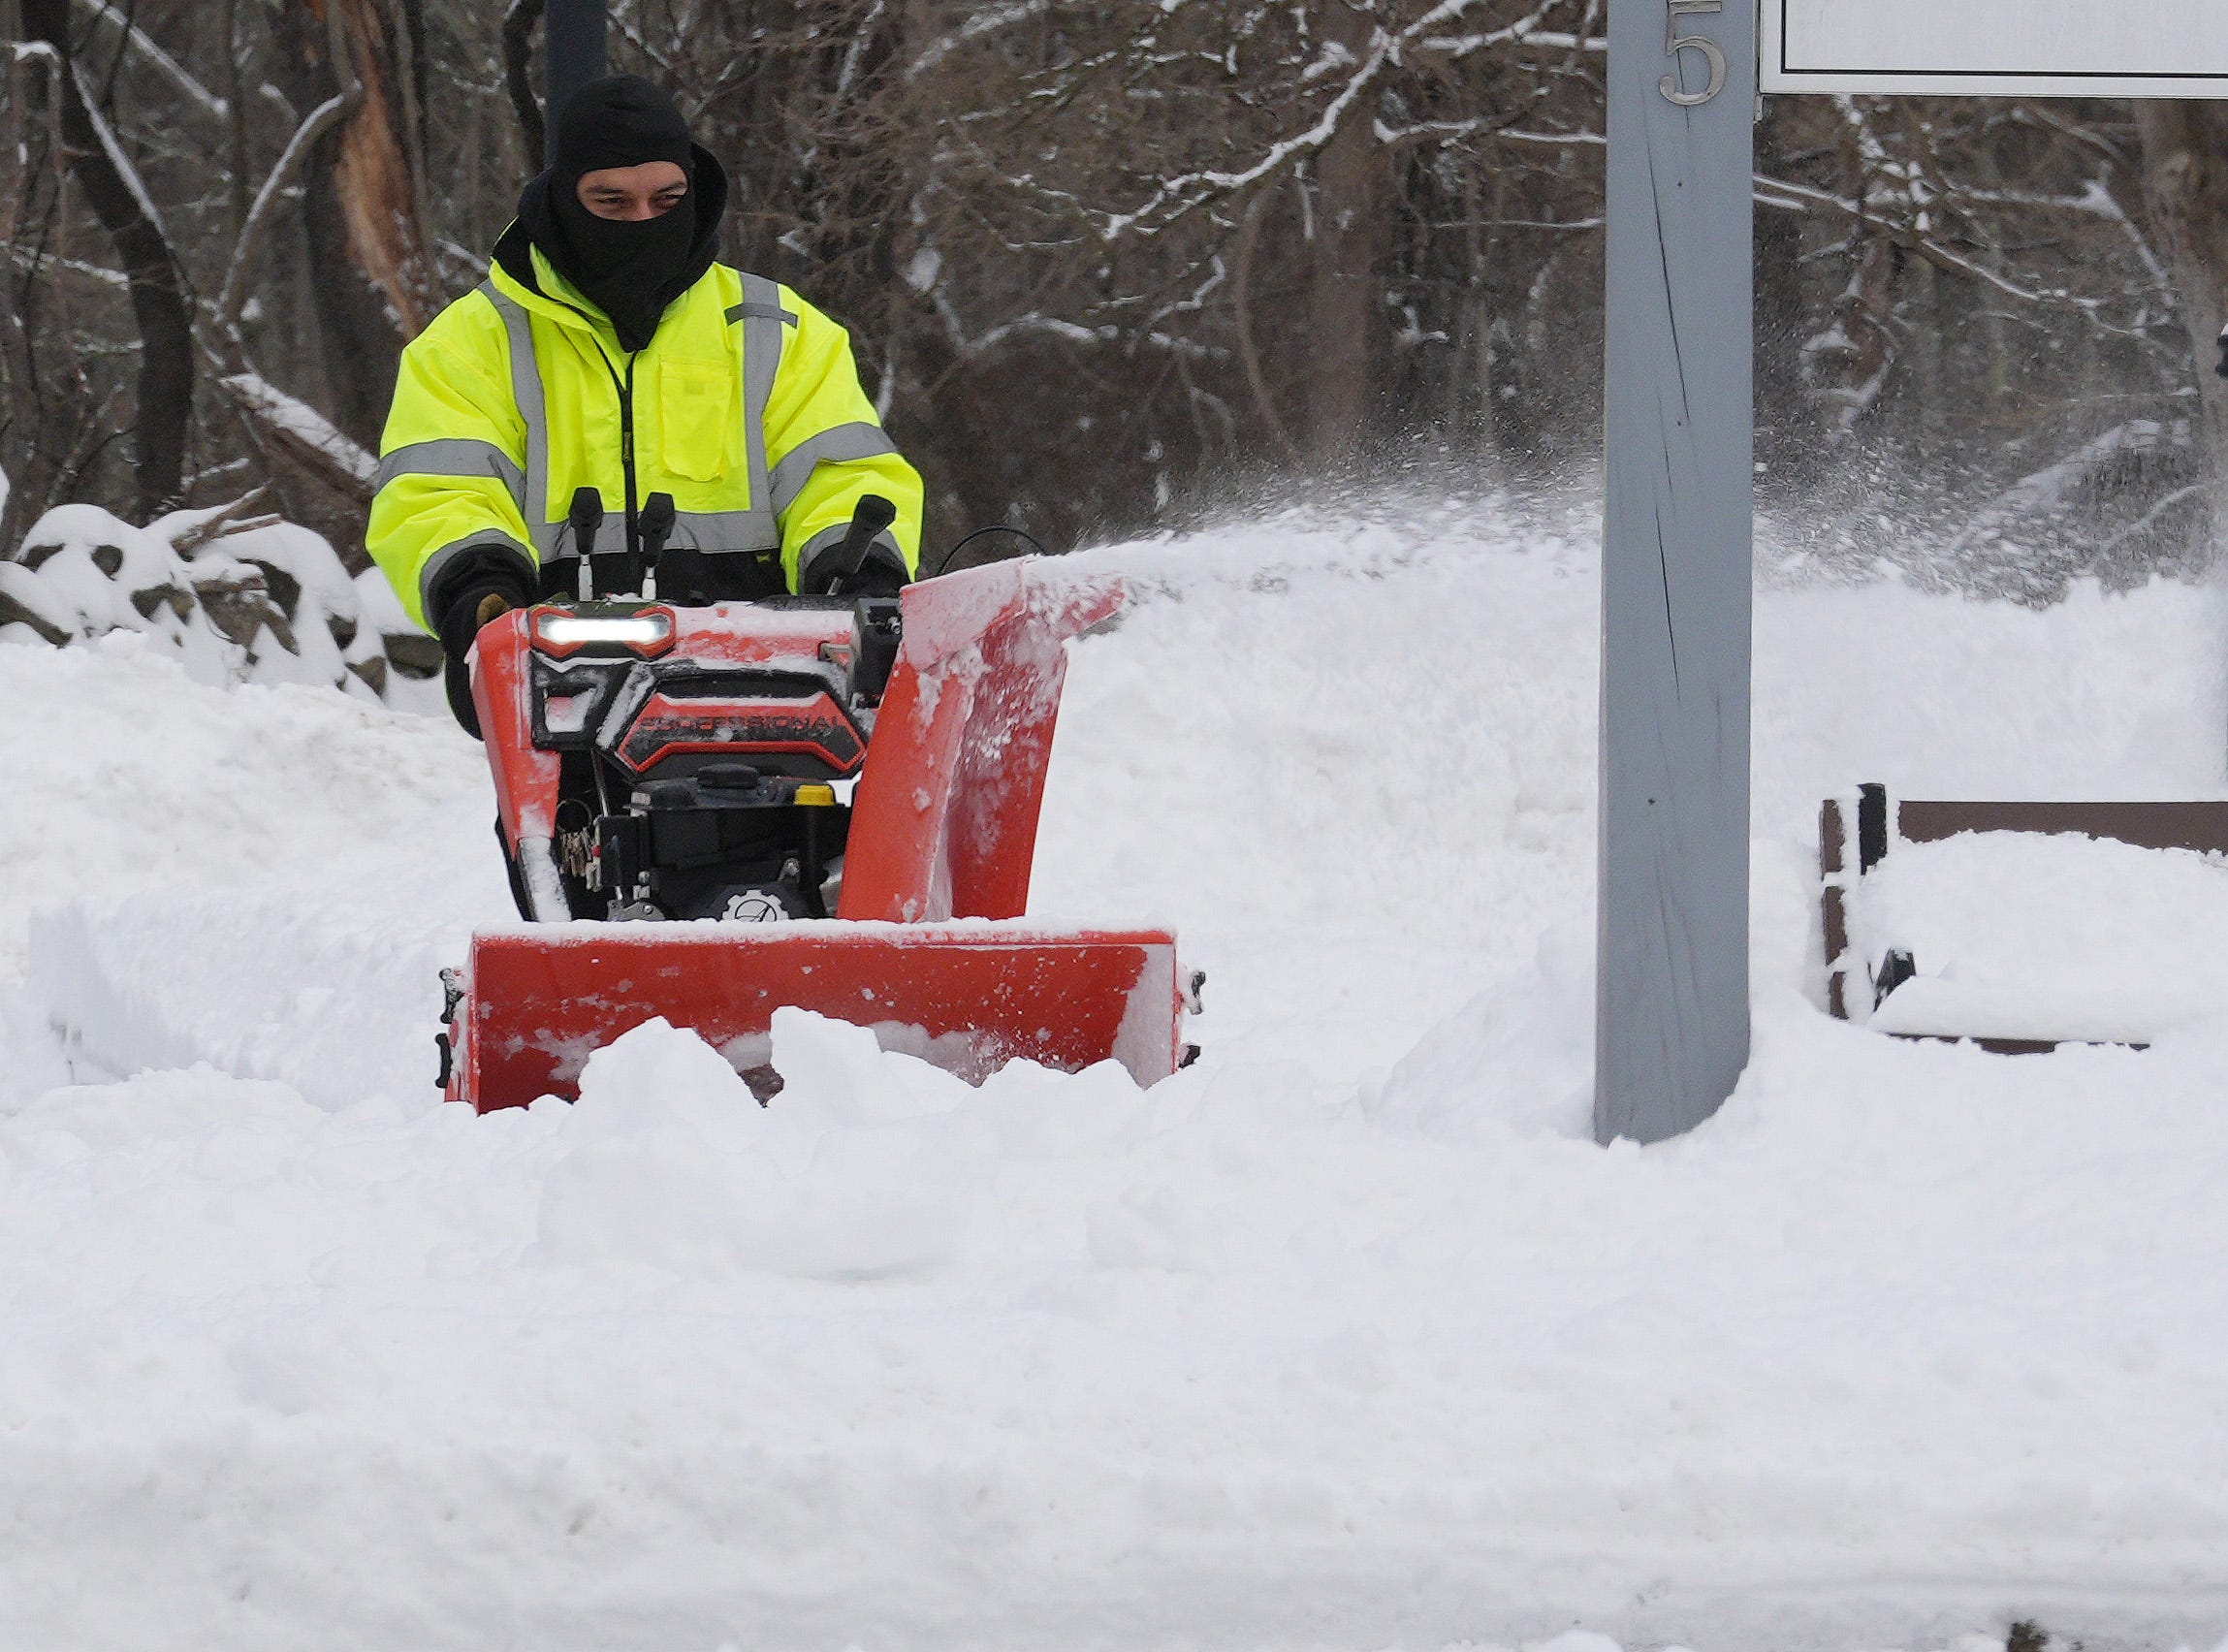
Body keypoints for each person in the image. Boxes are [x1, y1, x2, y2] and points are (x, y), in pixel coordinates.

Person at [366, 75, 923, 732]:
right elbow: (440, 491)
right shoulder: (473, 343)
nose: (644, 225)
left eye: (667, 201)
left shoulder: (774, 330)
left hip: (766, 691)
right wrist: (478, 591)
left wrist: (854, 569)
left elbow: (842, 474)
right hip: (559, 699)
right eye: (612, 203)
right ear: (564, 199)